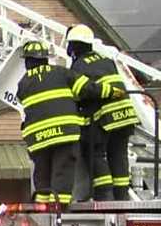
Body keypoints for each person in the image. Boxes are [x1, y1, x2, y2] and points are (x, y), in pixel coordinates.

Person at [16, 40, 121, 206]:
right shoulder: (62, 73)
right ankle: (59, 209)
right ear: (45, 58)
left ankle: (42, 208)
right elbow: (87, 89)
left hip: (38, 139)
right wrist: (111, 91)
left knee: (42, 173)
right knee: (62, 171)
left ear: (27, 61)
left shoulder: (22, 85)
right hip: (64, 134)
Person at [65, 24, 139, 200]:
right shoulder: (107, 60)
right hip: (125, 116)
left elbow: (82, 93)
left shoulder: (79, 66)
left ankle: (104, 193)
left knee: (95, 152)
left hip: (105, 118)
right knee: (118, 155)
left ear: (74, 46)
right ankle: (121, 197)